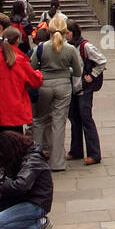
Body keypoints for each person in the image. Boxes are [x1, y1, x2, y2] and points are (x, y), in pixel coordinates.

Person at [28, 14, 83, 172]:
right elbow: (78, 71)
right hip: (63, 86)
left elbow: (31, 68)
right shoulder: (70, 49)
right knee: (59, 123)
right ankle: (57, 162)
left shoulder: (41, 47)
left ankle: (35, 161)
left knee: (39, 121)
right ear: (65, 31)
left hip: (44, 85)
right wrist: (67, 69)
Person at [0, 26, 43, 153]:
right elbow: (35, 81)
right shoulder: (19, 60)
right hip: (15, 111)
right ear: (18, 40)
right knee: (15, 144)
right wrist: (38, 73)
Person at [0, 131, 54, 229]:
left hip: (36, 203)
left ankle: (37, 226)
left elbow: (21, 186)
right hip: (26, 197)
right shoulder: (21, 155)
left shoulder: (32, 160)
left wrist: (5, 185)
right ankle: (18, 222)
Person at [66, 20, 106, 165]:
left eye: (68, 33)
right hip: (73, 88)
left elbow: (102, 60)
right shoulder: (69, 46)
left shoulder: (85, 46)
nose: (66, 36)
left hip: (84, 89)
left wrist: (93, 75)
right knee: (74, 119)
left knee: (86, 119)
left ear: (74, 32)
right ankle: (76, 150)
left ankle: (94, 154)